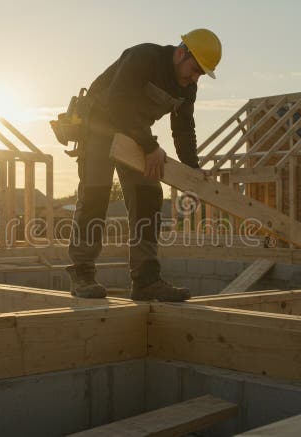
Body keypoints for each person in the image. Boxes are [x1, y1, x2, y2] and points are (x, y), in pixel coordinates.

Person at [65, 29, 222, 301]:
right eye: (195, 70)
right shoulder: (144, 57)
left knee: (148, 195)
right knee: (95, 194)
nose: (195, 78)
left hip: (134, 132)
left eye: (201, 74)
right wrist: (150, 147)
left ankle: (146, 280)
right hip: (99, 125)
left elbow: (184, 127)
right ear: (181, 53)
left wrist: (192, 168)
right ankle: (82, 273)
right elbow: (117, 102)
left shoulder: (187, 87)